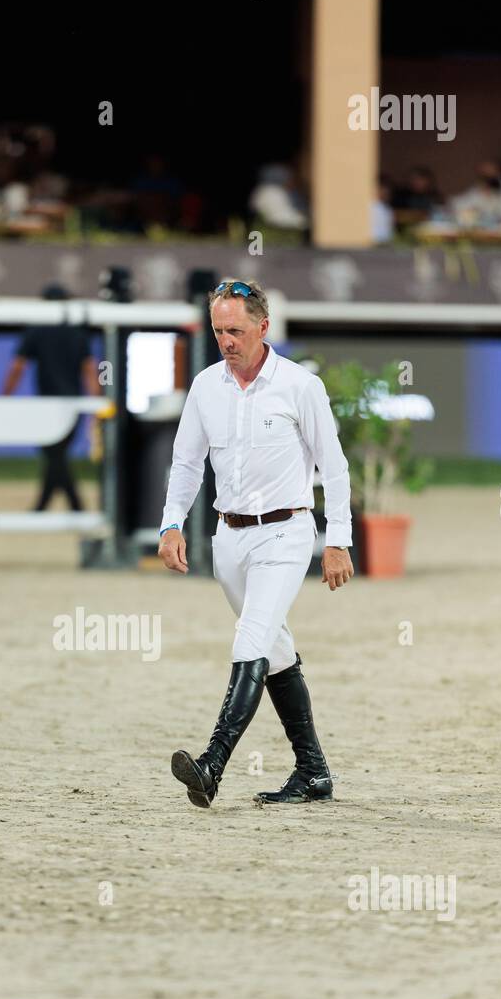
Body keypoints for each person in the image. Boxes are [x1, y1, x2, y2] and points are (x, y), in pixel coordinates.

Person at [157, 278, 353, 808]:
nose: (226, 341)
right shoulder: (205, 387)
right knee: (274, 647)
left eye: (236, 330)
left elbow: (334, 468)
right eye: (219, 330)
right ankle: (313, 772)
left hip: (287, 533)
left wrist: (339, 539)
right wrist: (171, 523)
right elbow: (186, 462)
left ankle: (211, 764)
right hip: (229, 538)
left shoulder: (299, 386)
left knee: (251, 639)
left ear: (263, 327)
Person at [1, 284, 99, 511]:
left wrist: (5, 396)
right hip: (74, 403)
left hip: (47, 404)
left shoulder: (37, 329)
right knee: (57, 456)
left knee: (55, 456)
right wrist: (95, 404)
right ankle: (62, 507)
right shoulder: (77, 331)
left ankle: (58, 507)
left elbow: (17, 366)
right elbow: (90, 369)